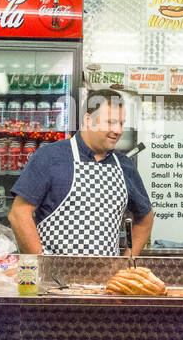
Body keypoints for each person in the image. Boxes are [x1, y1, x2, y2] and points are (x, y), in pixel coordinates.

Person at [9, 88, 154, 255]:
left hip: (106, 279)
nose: (119, 130)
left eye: (121, 123)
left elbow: (146, 217)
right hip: (54, 278)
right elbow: (19, 214)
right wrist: (42, 264)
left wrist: (125, 265)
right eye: (111, 122)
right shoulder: (49, 157)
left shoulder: (125, 166)